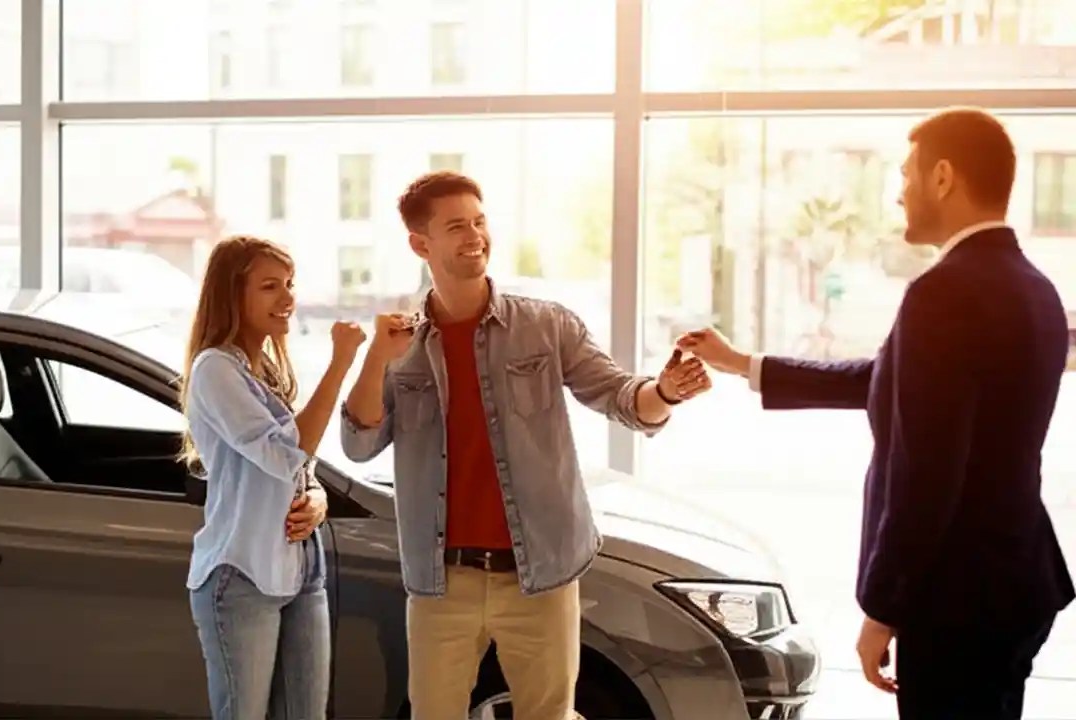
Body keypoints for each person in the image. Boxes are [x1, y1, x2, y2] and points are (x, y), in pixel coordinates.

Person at [679, 107, 1074, 720]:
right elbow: (890, 382)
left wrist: (884, 608)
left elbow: (927, 474)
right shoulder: (1036, 287)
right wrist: (744, 364)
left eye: (907, 175)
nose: (899, 193)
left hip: (955, 598)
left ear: (942, 177)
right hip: (1016, 582)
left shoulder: (943, 293)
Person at [340, 171, 712, 720]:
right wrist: (376, 358)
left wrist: (666, 391)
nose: (475, 235)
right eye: (456, 226)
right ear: (421, 245)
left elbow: (622, 398)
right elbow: (358, 443)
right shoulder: (401, 345)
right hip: (442, 582)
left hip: (539, 575)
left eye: (479, 221)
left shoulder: (545, 326)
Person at [179, 235, 366, 720]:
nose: (287, 298)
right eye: (269, 286)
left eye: (289, 284)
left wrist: (318, 497)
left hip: (299, 572)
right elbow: (284, 454)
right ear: (232, 295)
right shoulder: (215, 369)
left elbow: (298, 467)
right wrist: (341, 363)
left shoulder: (262, 367)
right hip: (241, 574)